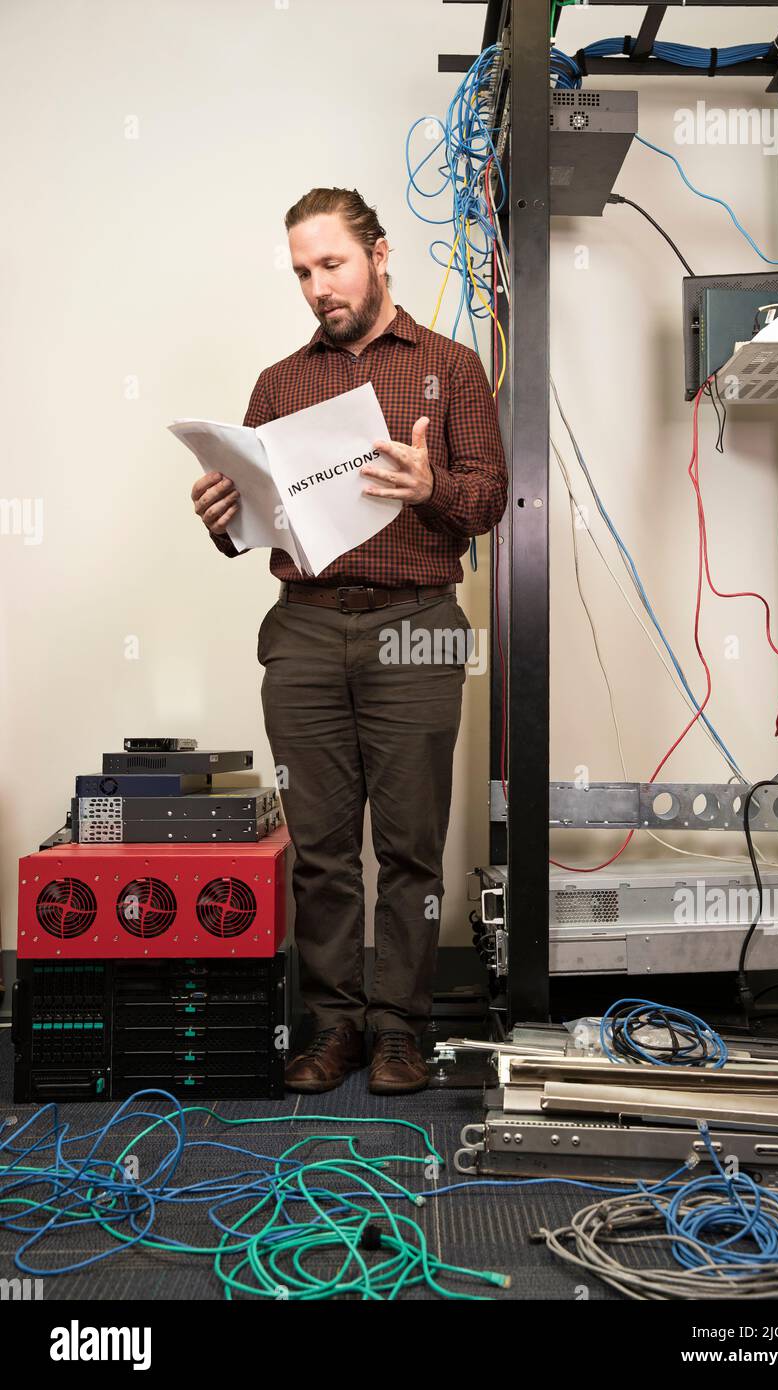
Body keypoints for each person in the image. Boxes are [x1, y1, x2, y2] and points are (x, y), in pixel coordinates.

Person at [191, 187, 507, 1095]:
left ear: (378, 254)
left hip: (416, 625)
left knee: (410, 843)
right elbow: (258, 525)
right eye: (301, 271)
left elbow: (489, 500)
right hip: (304, 628)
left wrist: (430, 485)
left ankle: (401, 1027)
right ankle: (332, 1025)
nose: (317, 286)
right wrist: (222, 518)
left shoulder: (451, 367)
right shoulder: (280, 384)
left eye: (331, 263)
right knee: (323, 845)